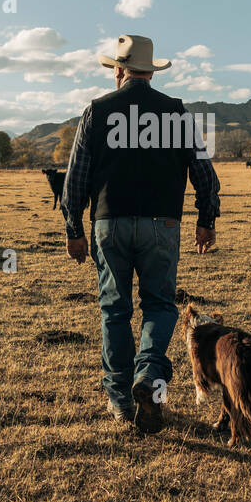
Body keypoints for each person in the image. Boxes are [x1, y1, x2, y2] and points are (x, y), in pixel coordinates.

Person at [61, 34, 220, 432]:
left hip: (108, 224)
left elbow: (75, 178)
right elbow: (204, 174)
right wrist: (206, 220)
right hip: (163, 225)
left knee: (114, 310)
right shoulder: (177, 113)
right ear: (150, 72)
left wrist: (73, 229)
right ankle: (148, 376)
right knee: (161, 306)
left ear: (118, 70)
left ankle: (119, 401)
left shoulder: (96, 111)